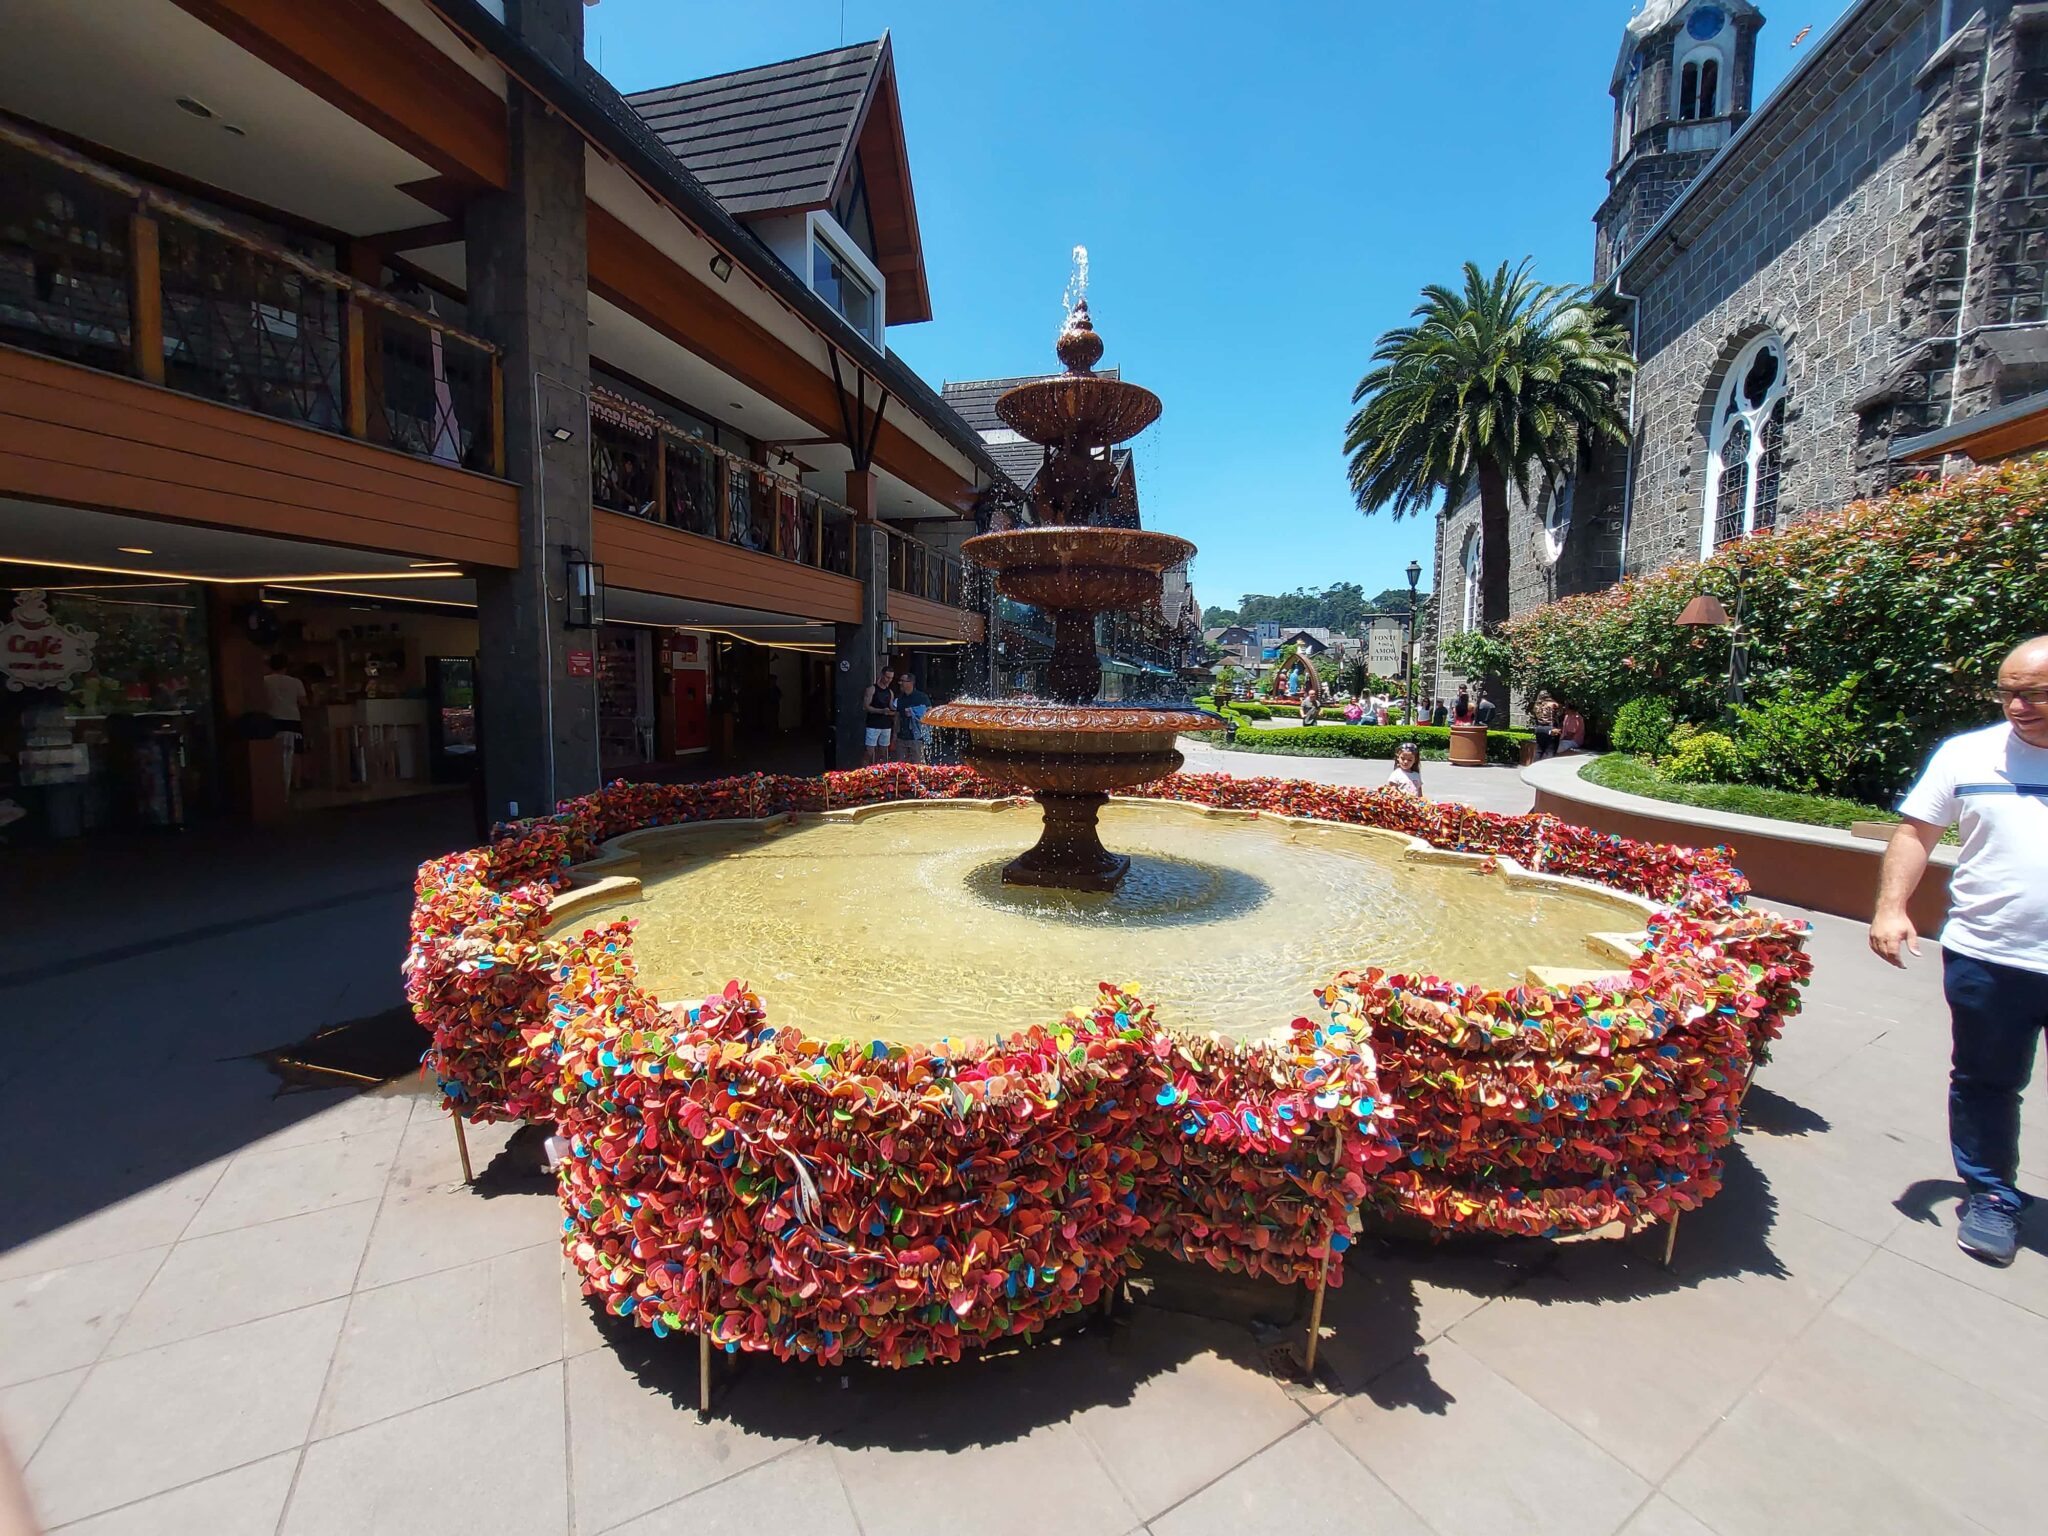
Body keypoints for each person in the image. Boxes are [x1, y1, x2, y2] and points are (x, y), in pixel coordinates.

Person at [1870, 635, 2048, 1267]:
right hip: (1989, 954)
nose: (2018, 706)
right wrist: (1891, 907)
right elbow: (1917, 831)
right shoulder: (1967, 754)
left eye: (2035, 694)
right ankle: (1992, 1195)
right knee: (1985, 1082)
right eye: (2007, 692)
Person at [261, 653, 307, 794]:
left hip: (272, 719)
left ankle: (276, 781)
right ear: (286, 666)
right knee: (296, 753)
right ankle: (297, 783)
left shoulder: (264, 681)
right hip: (293, 719)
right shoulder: (295, 682)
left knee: (274, 752)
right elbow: (304, 702)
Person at [894, 672, 930, 763]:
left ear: (910, 683)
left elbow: (929, 712)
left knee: (918, 764)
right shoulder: (900, 698)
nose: (900, 683)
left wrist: (914, 712)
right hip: (901, 736)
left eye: (902, 681)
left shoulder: (921, 697)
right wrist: (894, 734)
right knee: (901, 765)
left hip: (916, 737)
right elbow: (897, 716)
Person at [863, 667, 895, 765]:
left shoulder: (890, 692)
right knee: (869, 751)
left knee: (883, 751)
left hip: (886, 725)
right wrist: (881, 711)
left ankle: (879, 771)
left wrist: (894, 711)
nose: (889, 680)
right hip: (873, 724)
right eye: (887, 677)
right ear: (882, 675)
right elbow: (865, 707)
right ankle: (865, 769)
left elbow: (892, 707)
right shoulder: (872, 689)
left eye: (891, 678)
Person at [1531, 692, 1561, 758]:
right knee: (1550, 752)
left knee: (1538, 751)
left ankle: (1535, 766)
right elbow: (1559, 710)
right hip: (1551, 729)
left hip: (1539, 728)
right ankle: (1547, 767)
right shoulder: (1553, 704)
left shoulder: (1537, 706)